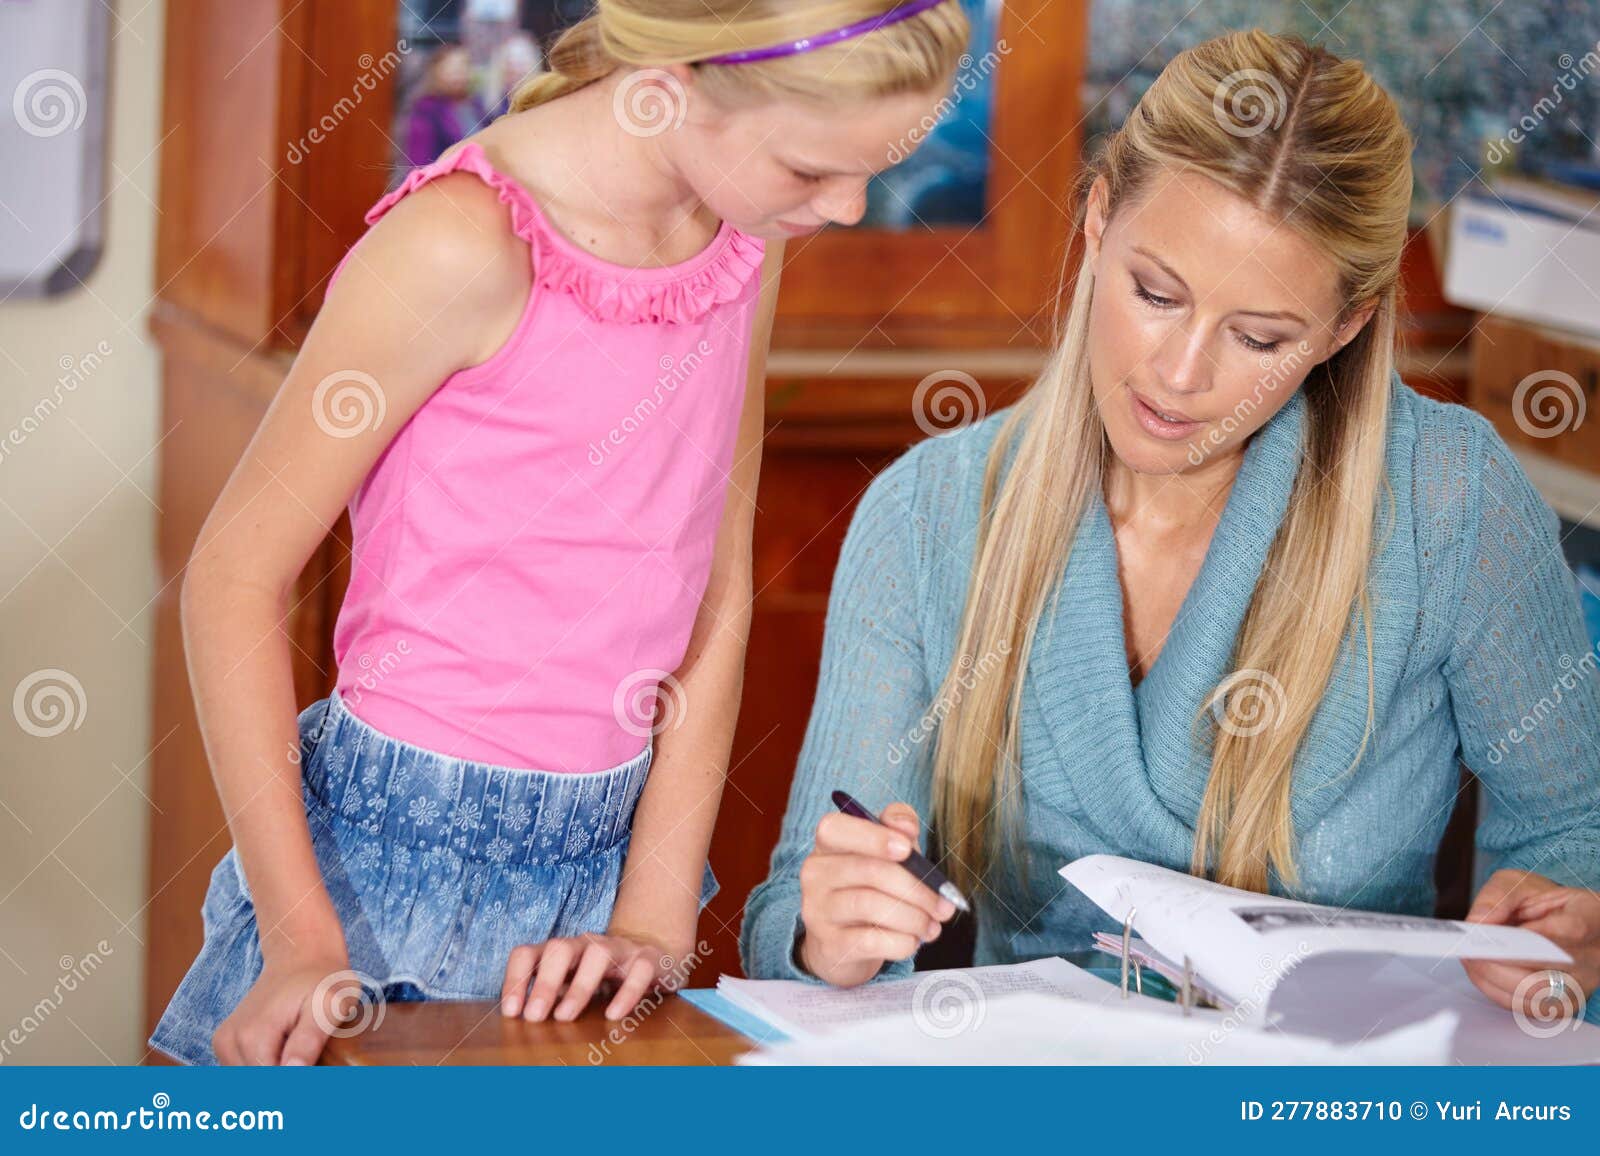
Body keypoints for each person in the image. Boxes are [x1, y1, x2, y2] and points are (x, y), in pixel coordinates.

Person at [149, 0, 972, 1066]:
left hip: (593, 901)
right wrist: (303, 943)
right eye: (811, 169)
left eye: (873, 169)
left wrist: (655, 919)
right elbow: (230, 579)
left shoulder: (740, 242)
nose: (850, 208)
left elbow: (716, 590)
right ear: (672, 83)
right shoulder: (456, 247)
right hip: (373, 884)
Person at [741, 28, 1600, 1027]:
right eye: (1155, 294)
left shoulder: (1451, 497)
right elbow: (796, 902)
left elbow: (1573, 829)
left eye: (1257, 337)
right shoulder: (925, 515)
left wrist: (1569, 922)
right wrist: (828, 934)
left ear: (1346, 325)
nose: (1179, 376)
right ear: (1099, 218)